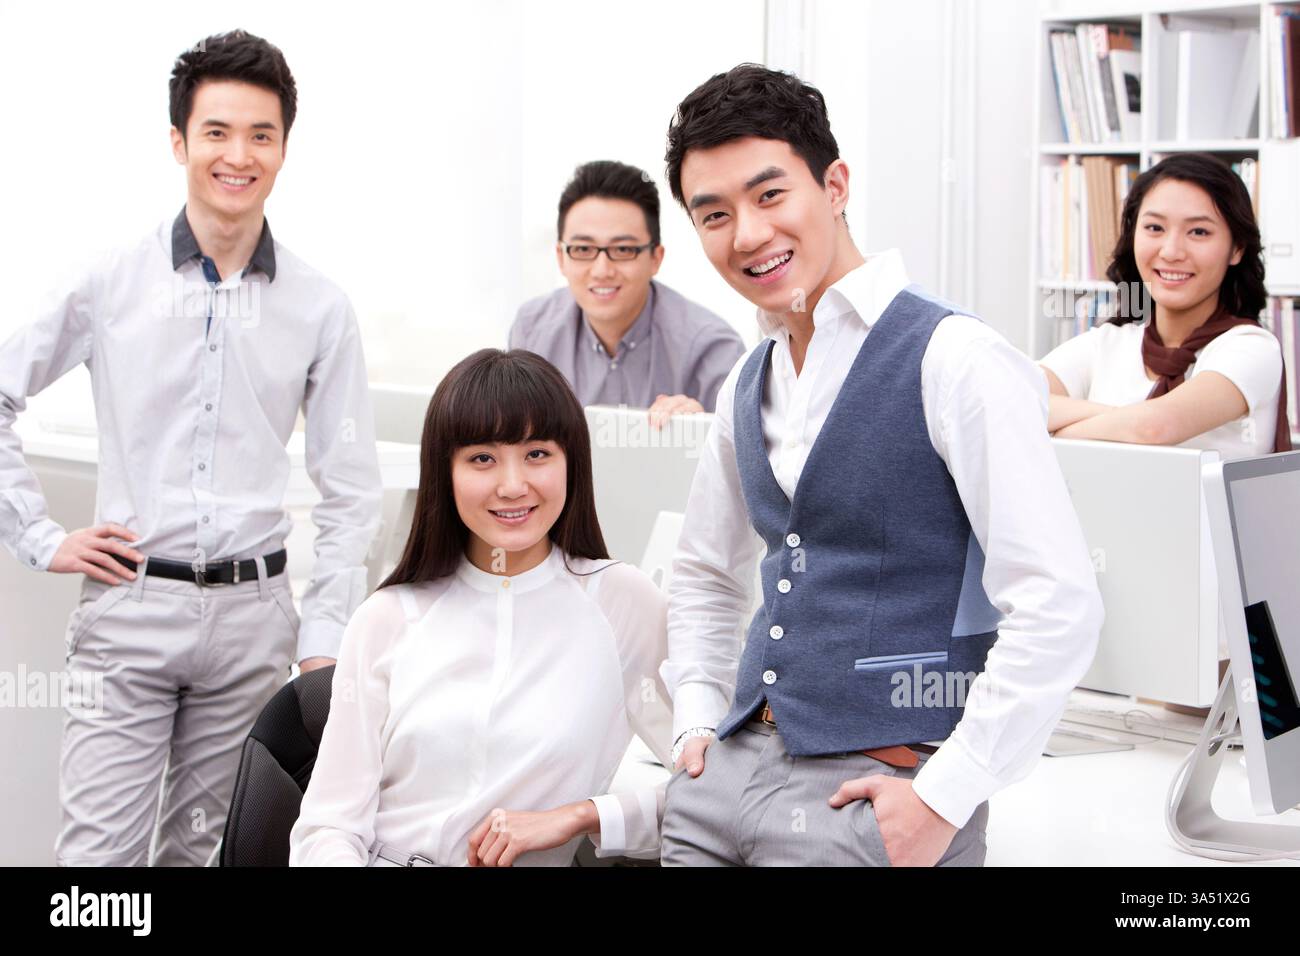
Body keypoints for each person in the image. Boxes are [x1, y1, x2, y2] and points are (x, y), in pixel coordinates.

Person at [656, 64, 1104, 867]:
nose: (747, 234)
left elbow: (1059, 603)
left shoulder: (956, 358)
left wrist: (944, 796)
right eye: (713, 214)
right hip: (719, 783)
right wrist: (694, 720)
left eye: (769, 195)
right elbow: (701, 574)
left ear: (835, 185)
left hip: (873, 797)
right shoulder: (746, 380)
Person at [0, 30, 382, 866]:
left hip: (255, 621)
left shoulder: (320, 306)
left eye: (260, 134)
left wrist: (324, 630)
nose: (237, 155)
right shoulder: (108, 278)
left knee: (211, 854)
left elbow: (351, 485)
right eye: (216, 132)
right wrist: (38, 537)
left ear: (284, 146)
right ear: (179, 142)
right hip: (130, 606)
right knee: (97, 863)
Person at [289, 349, 674, 867]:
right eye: (482, 459)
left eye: (537, 453)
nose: (513, 485)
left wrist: (585, 815)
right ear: (444, 472)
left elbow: (715, 792)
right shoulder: (388, 616)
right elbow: (329, 826)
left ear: (572, 463)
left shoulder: (620, 604)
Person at [1040, 152, 1291, 459]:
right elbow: (1011, 395)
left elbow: (1155, 429)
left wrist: (1059, 432)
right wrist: (1118, 419)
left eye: (1199, 232)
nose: (1171, 251)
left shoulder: (1251, 348)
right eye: (1155, 228)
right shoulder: (1105, 344)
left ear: (1237, 248)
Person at [509, 160, 744, 421]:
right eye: (583, 249)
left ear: (656, 258)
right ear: (561, 258)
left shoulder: (710, 347)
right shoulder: (532, 331)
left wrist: (702, 431)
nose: (601, 270)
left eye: (623, 250)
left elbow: (738, 456)